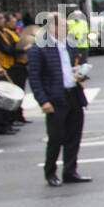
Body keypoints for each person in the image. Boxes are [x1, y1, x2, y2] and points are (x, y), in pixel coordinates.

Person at [28, 11, 92, 187]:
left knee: (74, 136)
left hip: (74, 94)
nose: (69, 27)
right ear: (52, 27)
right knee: (56, 137)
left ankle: (70, 171)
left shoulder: (69, 44)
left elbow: (72, 67)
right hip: (55, 98)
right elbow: (34, 78)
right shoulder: (39, 48)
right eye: (64, 25)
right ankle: (50, 172)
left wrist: (81, 75)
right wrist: (43, 101)